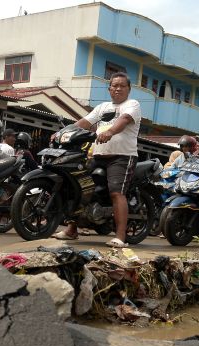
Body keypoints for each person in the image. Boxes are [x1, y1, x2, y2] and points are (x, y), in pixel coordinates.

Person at [53, 72, 142, 248]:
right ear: (109, 89)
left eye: (122, 86)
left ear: (128, 89)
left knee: (116, 193)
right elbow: (84, 122)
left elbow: (124, 120)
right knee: (81, 187)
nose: (117, 88)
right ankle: (72, 229)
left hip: (122, 157)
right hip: (98, 156)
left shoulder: (132, 104)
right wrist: (61, 133)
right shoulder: (103, 107)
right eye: (114, 85)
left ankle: (120, 236)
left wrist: (109, 132)